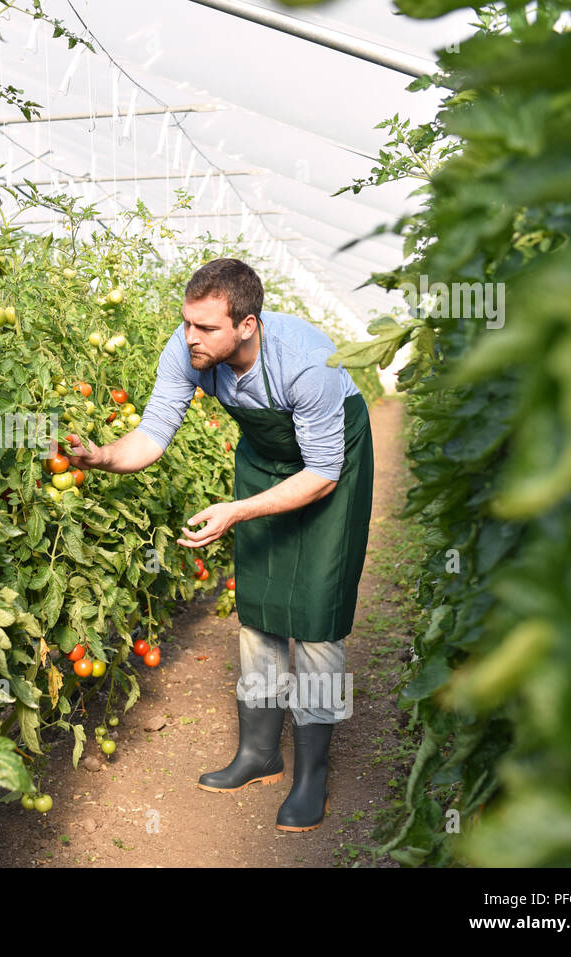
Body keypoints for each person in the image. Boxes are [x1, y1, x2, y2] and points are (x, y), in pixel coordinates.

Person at [63, 258, 373, 832]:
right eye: (187, 323)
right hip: (264, 461)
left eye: (206, 328)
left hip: (331, 468)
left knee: (317, 620)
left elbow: (323, 471)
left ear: (247, 325)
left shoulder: (308, 365)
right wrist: (102, 455)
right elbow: (153, 432)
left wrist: (238, 510)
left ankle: (313, 773)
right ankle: (259, 754)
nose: (190, 337)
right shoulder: (187, 353)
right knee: (257, 610)